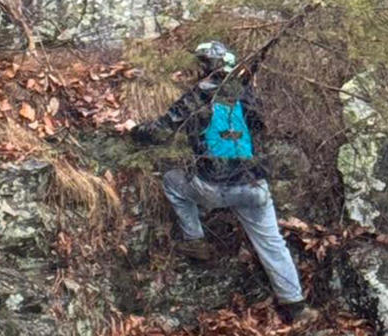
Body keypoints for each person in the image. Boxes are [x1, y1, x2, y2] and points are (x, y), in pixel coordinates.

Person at [131, 41, 319, 325]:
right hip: (254, 186)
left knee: (172, 181)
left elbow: (160, 131)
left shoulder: (197, 97)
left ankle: (195, 241)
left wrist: (133, 131)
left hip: (213, 188)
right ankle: (297, 308)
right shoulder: (249, 96)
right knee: (271, 243)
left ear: (204, 67)